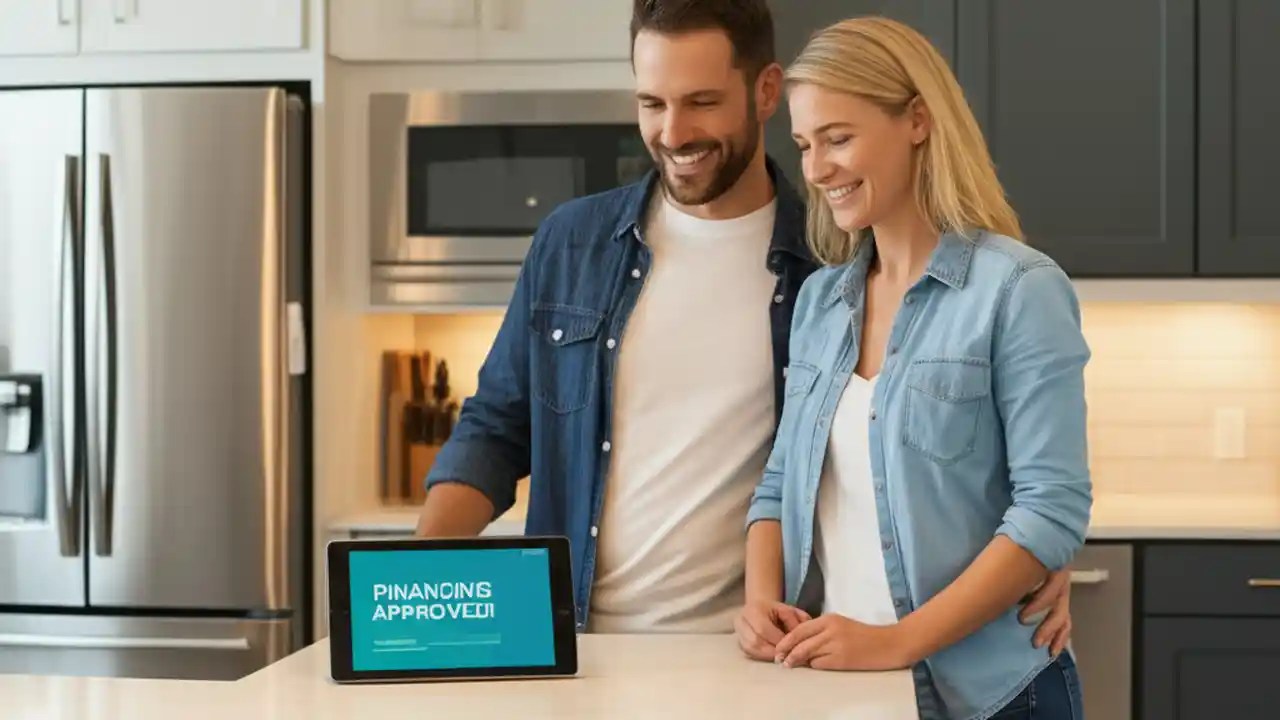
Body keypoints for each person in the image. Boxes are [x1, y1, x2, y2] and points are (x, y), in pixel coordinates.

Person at [416, 0, 1072, 646]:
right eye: (652, 103)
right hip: (581, 644)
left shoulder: (829, 262)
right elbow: (497, 426)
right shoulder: (573, 243)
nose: (673, 133)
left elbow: (943, 461)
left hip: (753, 656)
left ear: (765, 92)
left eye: (701, 101)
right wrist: (414, 577)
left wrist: (1036, 548)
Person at [738, 16, 1090, 720]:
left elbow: (1049, 510)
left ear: (918, 121)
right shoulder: (820, 302)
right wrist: (759, 603)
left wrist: (898, 642)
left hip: (993, 696)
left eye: (838, 138)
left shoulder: (1018, 289)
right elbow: (781, 483)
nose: (815, 169)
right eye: (806, 145)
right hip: (846, 688)